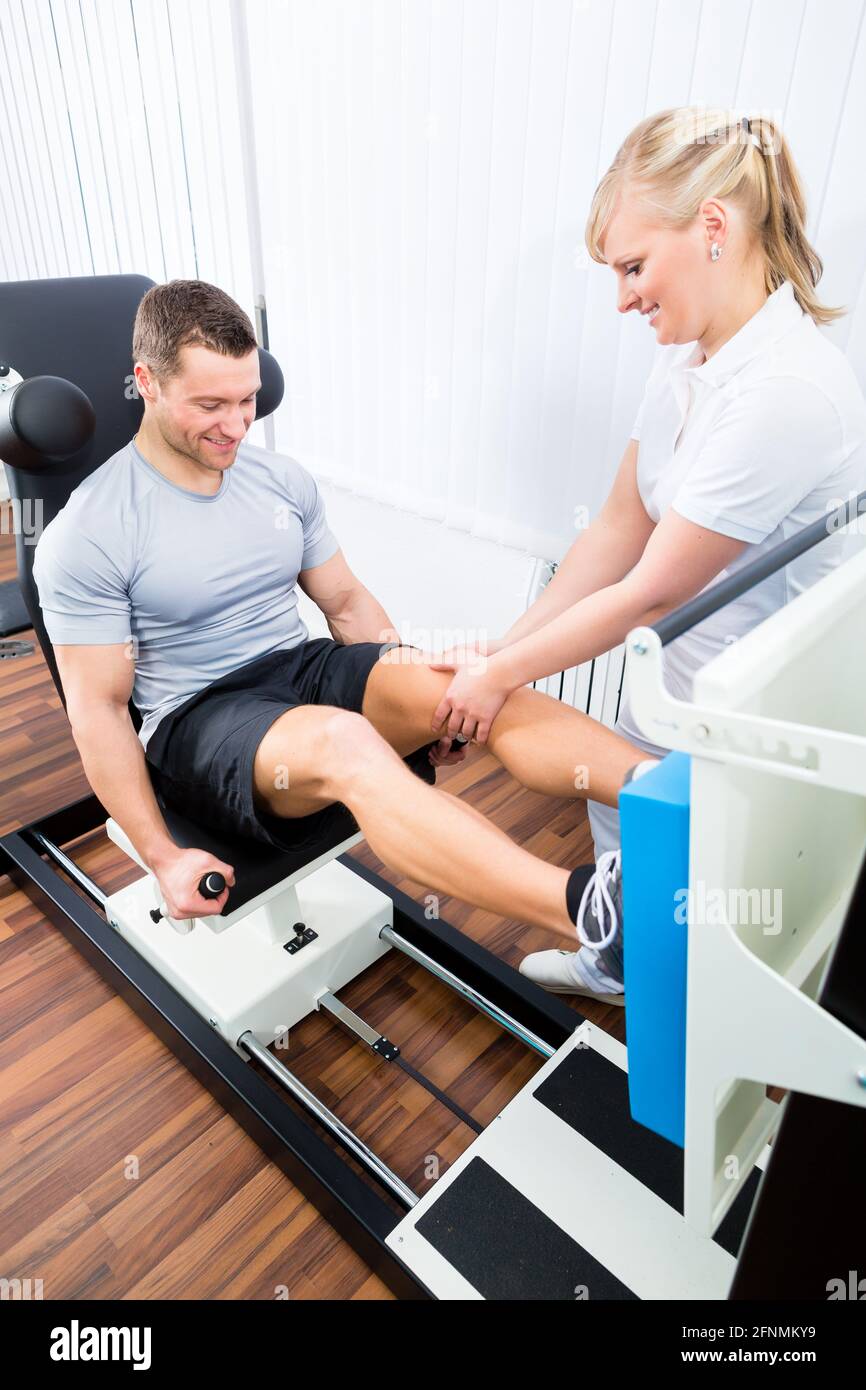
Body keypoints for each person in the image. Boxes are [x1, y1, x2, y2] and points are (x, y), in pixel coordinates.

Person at [32, 278, 655, 996]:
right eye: (211, 405)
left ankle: (677, 797)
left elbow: (347, 601)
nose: (236, 426)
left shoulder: (279, 481)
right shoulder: (91, 528)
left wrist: (416, 696)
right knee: (344, 742)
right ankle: (599, 919)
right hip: (200, 722)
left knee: (468, 684)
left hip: (302, 669)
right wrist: (163, 855)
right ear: (146, 382)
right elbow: (100, 710)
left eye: (247, 400)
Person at [427, 107, 866, 1001]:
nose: (623, 297)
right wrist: (501, 652)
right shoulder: (693, 355)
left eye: (632, 267)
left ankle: (689, 1027)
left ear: (713, 228)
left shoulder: (785, 392)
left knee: (706, 935)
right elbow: (615, 534)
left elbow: (648, 594)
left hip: (751, 722)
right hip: (673, 693)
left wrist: (498, 677)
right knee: (628, 852)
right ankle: (616, 964)